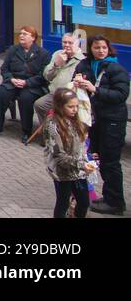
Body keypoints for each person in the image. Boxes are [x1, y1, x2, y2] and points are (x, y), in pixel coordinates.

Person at [73, 36, 129, 216]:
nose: (101, 51)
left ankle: (116, 203)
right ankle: (108, 196)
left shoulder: (115, 68)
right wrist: (76, 83)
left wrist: (95, 89)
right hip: (94, 120)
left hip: (113, 120)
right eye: (97, 48)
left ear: (109, 49)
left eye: (104, 47)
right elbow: (75, 81)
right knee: (99, 159)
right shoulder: (84, 65)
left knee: (111, 162)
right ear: (91, 48)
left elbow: (121, 95)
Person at [43, 88, 96, 219]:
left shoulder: (76, 120)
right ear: (60, 106)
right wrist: (81, 165)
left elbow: (81, 144)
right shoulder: (52, 125)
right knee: (63, 203)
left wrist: (89, 156)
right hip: (62, 171)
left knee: (84, 202)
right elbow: (59, 156)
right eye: (70, 107)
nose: (74, 110)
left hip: (78, 169)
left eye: (76, 106)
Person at [0, 26, 49, 140]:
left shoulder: (43, 54)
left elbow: (43, 75)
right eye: (21, 33)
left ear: (33, 38)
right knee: (2, 94)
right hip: (13, 82)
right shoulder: (13, 50)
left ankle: (26, 131)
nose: (21, 36)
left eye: (25, 34)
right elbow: (4, 69)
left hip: (31, 85)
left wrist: (26, 82)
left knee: (25, 99)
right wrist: (11, 79)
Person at [22, 33, 85, 137]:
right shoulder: (57, 54)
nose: (67, 45)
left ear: (77, 45)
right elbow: (47, 76)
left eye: (70, 43)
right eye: (64, 42)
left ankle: (63, 135)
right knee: (40, 104)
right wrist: (56, 64)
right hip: (54, 94)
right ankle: (49, 134)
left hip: (71, 96)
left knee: (66, 110)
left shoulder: (82, 60)